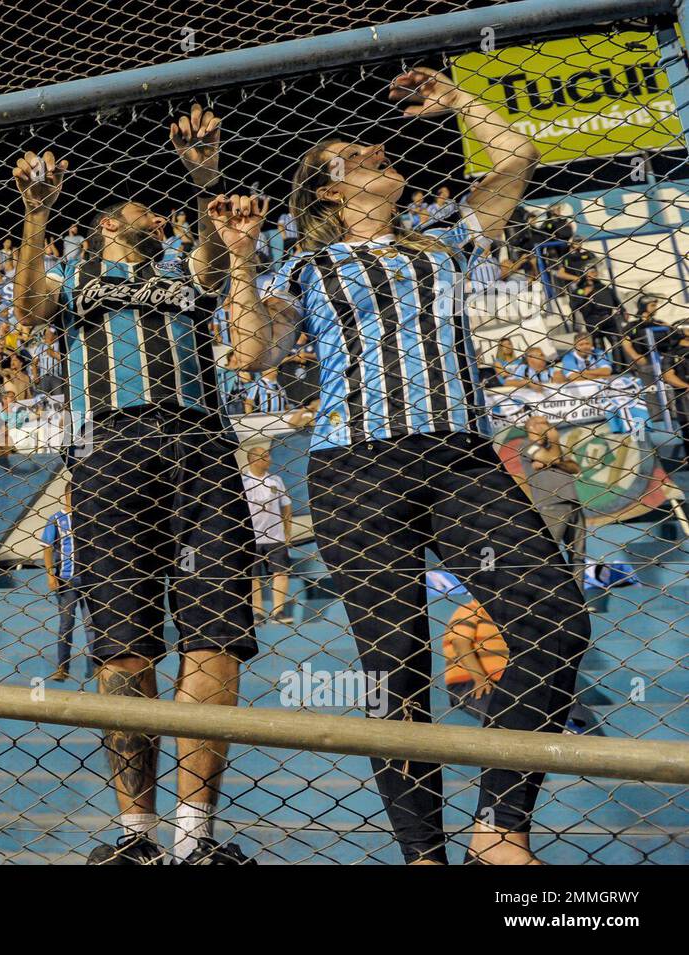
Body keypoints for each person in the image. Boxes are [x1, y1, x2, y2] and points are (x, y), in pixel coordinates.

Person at [250, 68, 589, 864]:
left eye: (374, 145)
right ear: (327, 192)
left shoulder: (442, 241)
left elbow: (519, 154)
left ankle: (498, 829)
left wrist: (462, 100)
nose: (376, 151)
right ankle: (423, 855)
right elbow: (260, 353)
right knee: (394, 668)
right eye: (354, 154)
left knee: (555, 622)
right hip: (353, 467)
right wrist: (240, 270)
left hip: (460, 458)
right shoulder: (299, 270)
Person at [12, 103, 260, 865]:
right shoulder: (77, 272)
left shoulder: (183, 260)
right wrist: (36, 215)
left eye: (161, 207)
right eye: (139, 207)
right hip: (108, 448)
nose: (154, 213)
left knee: (214, 637)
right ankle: (136, 836)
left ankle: (196, 837)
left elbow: (217, 270)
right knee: (123, 650)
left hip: (199, 442)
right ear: (107, 225)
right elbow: (27, 309)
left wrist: (204, 179)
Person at [522, 415, 586, 590]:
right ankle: (540, 593)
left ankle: (578, 601)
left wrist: (554, 459)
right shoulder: (527, 446)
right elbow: (552, 459)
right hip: (551, 504)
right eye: (544, 423)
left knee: (578, 556)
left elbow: (575, 468)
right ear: (532, 427)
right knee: (548, 552)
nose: (550, 427)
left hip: (573, 502)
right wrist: (555, 447)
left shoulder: (554, 448)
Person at [42, 486, 89, 682]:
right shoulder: (56, 519)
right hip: (66, 580)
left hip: (88, 580)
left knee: (92, 625)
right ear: (66, 495)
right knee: (66, 625)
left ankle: (97, 665)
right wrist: (51, 575)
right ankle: (63, 668)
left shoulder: (87, 518)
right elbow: (46, 548)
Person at [241, 446, 293, 625]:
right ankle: (257, 613)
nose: (269, 459)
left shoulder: (276, 480)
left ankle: (278, 611)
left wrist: (287, 531)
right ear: (253, 459)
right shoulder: (243, 482)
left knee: (280, 572)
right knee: (254, 576)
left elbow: (286, 506)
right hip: (252, 538)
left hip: (275, 536)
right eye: (264, 456)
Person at [441, 599, 508, 721]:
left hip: (503, 682)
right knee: (502, 716)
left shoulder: (503, 617)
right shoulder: (470, 610)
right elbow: (460, 643)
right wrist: (479, 678)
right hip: (471, 682)